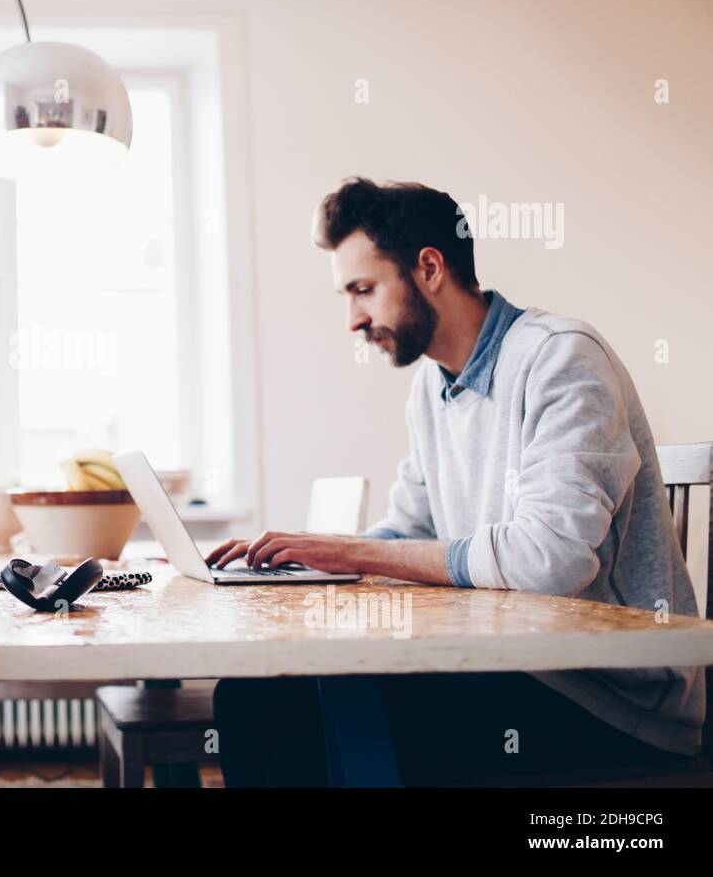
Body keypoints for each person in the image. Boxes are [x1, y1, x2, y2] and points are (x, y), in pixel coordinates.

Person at [209, 177, 704, 786]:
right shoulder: (433, 385)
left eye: (363, 290)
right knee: (252, 697)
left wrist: (348, 551)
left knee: (320, 710)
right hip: (511, 668)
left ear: (430, 268)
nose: (353, 319)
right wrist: (303, 562)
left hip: (609, 698)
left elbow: (549, 560)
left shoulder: (561, 359)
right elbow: (409, 530)